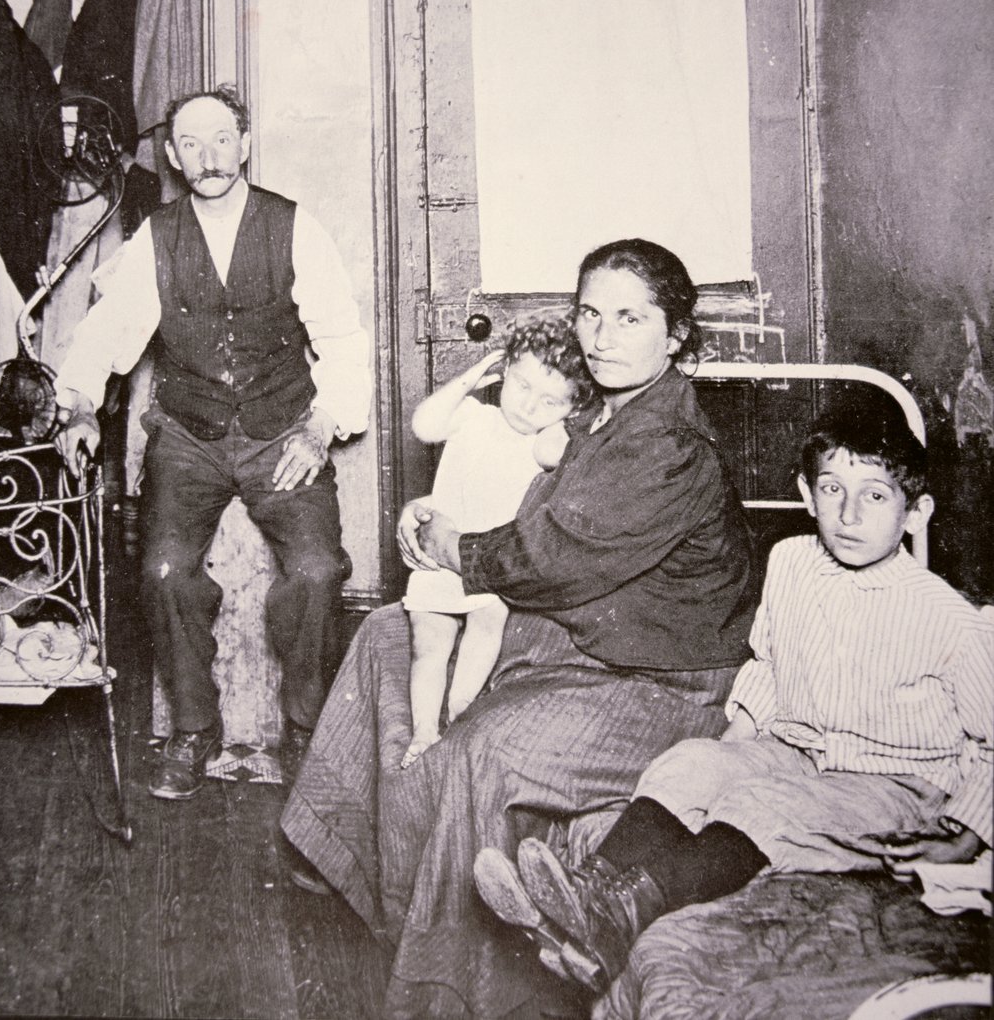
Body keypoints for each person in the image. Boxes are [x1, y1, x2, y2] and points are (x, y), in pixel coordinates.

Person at [281, 238, 757, 1019]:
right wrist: (435, 518)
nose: (601, 337)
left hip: (658, 679)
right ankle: (348, 863)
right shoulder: (599, 407)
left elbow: (554, 556)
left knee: (481, 754)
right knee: (387, 635)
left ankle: (444, 990)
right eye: (590, 315)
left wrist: (450, 548)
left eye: (630, 319)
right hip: (576, 637)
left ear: (674, 336)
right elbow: (511, 498)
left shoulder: (668, 444)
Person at [474, 405, 993, 994]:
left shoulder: (950, 618)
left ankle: (618, 918)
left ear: (915, 512)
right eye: (832, 489)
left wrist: (966, 833)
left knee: (763, 807)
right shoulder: (791, 561)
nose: (848, 514)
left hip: (895, 782)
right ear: (806, 492)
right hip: (796, 747)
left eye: (875, 496)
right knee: (693, 764)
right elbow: (769, 665)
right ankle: (584, 889)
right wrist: (726, 758)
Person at [54, 85, 371, 801]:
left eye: (221, 138)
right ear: (171, 154)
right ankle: (193, 730)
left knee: (318, 570)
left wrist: (321, 427)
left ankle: (300, 726)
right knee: (164, 572)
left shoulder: (294, 227)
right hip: (189, 436)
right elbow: (108, 334)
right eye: (191, 143)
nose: (208, 156)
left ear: (245, 143)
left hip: (283, 429)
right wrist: (75, 404)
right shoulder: (156, 238)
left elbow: (344, 341)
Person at [401, 316, 595, 769]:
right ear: (505, 372)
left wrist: (566, 418)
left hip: (487, 567)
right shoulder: (473, 415)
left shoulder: (542, 443)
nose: (529, 406)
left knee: (486, 625)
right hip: (437, 557)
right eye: (522, 385)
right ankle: (424, 729)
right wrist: (475, 374)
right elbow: (425, 425)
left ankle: (459, 716)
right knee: (428, 645)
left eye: (549, 400)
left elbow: (557, 452)